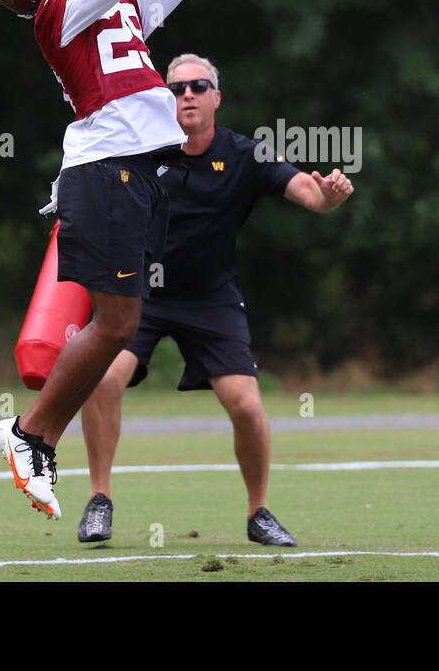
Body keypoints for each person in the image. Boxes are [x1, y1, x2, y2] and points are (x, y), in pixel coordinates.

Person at [0, 0, 207, 520]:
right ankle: (28, 434)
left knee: (117, 323)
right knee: (115, 324)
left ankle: (32, 437)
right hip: (106, 168)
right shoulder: (59, 11)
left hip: (132, 169)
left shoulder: (117, 4)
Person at [76, 53, 355, 547]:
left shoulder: (246, 154)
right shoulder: (141, 151)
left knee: (245, 404)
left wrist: (328, 196)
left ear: (216, 98)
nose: (187, 94)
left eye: (198, 86)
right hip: (141, 294)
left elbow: (308, 193)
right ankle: (100, 500)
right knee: (103, 379)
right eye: (177, 88)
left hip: (211, 299)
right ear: (165, 98)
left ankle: (258, 512)